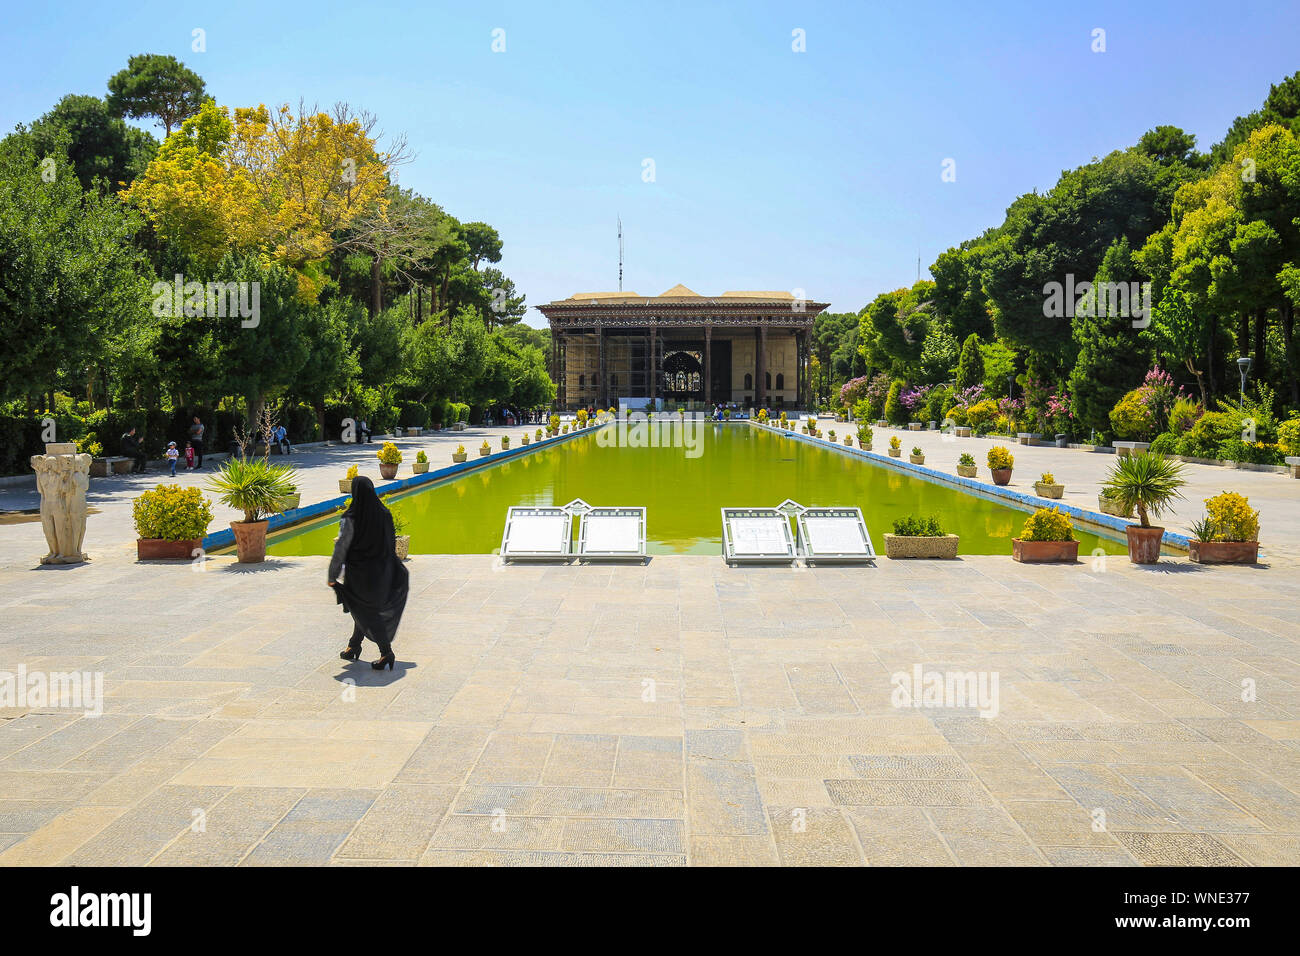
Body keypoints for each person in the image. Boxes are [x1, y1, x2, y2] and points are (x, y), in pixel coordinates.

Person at [328, 476, 407, 670]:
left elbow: (341, 547)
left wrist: (332, 575)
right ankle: (353, 646)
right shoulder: (384, 514)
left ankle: (386, 652)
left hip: (359, 575)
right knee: (362, 609)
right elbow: (390, 543)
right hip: (383, 572)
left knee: (365, 611)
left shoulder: (351, 517)